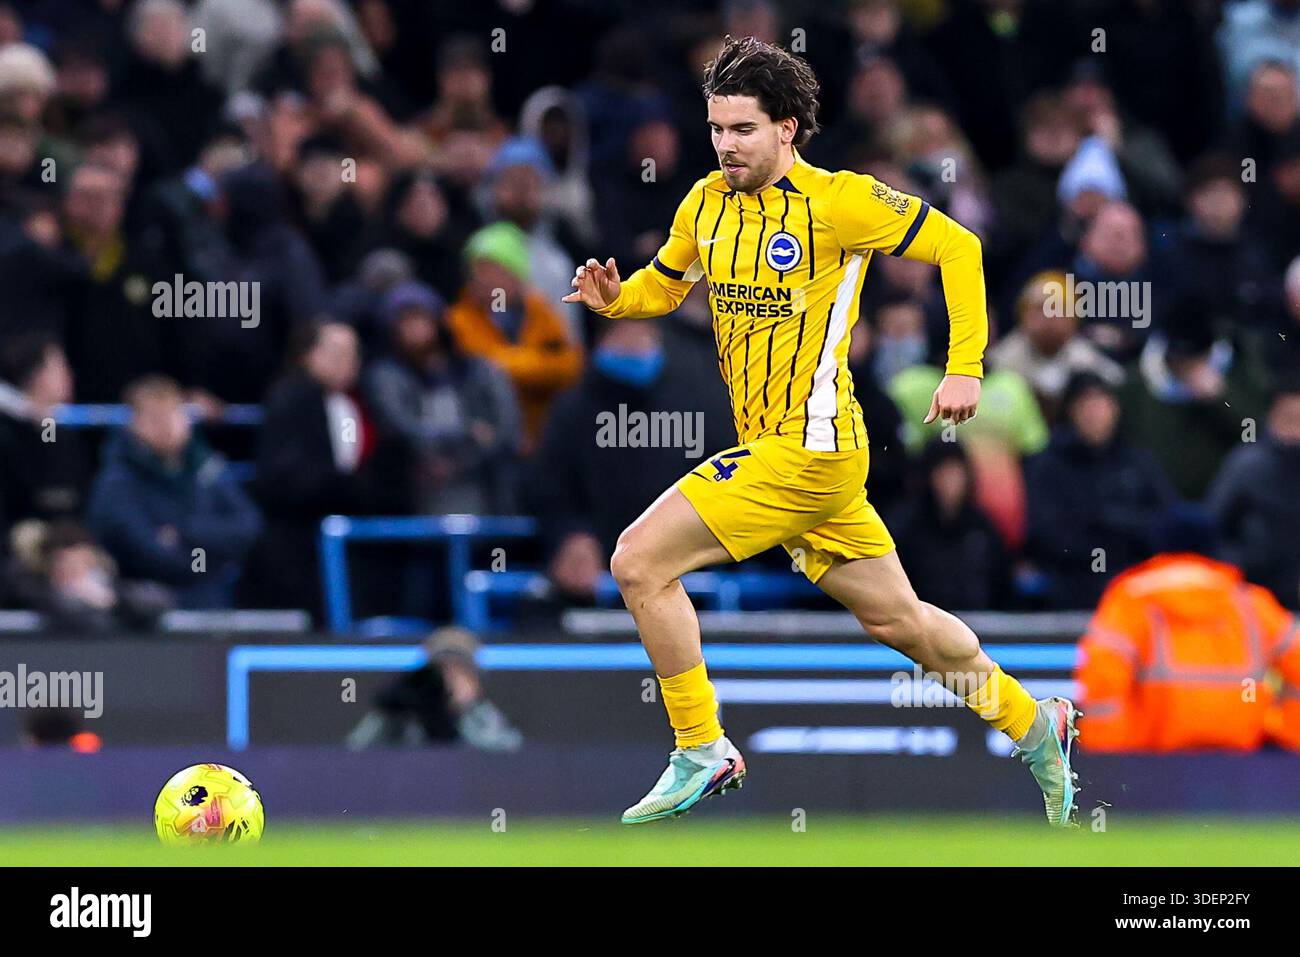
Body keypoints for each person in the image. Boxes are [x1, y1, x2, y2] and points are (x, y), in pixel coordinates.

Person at [563, 36, 1080, 828]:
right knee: (904, 625)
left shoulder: (841, 201)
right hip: (793, 458)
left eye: (743, 129)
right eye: (717, 128)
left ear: (788, 129)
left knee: (637, 561)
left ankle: (701, 745)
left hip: (812, 448)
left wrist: (965, 364)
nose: (726, 145)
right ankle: (1034, 722)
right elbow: (667, 286)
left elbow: (958, 244)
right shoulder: (703, 202)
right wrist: (615, 300)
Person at [85, 375, 261, 609]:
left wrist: (187, 533)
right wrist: (214, 560)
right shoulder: (117, 481)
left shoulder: (205, 466)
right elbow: (148, 552)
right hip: (145, 608)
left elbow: (247, 526)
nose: (167, 426)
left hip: (211, 600)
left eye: (174, 414)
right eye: (155, 417)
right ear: (134, 423)